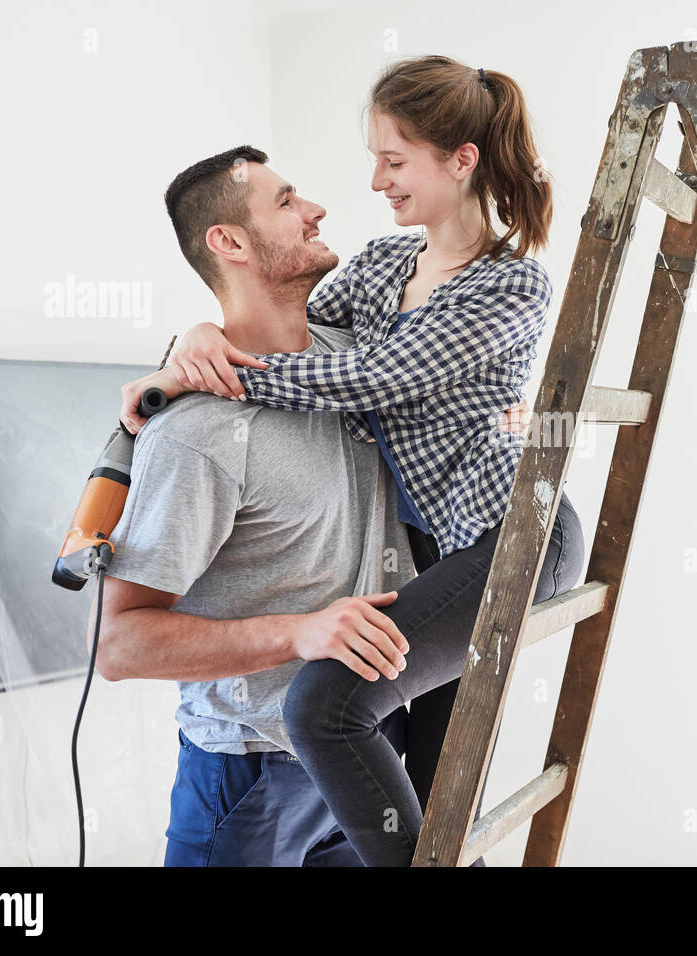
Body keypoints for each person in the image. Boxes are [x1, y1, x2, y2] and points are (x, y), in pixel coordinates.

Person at [119, 57, 584, 866]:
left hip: (499, 538)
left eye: (393, 161)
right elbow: (282, 324)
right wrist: (190, 347)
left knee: (408, 776)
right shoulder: (375, 271)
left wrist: (220, 364)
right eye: (290, 199)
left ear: (461, 160)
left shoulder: (507, 288)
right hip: (259, 757)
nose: (367, 185)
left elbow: (370, 374)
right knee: (389, 763)